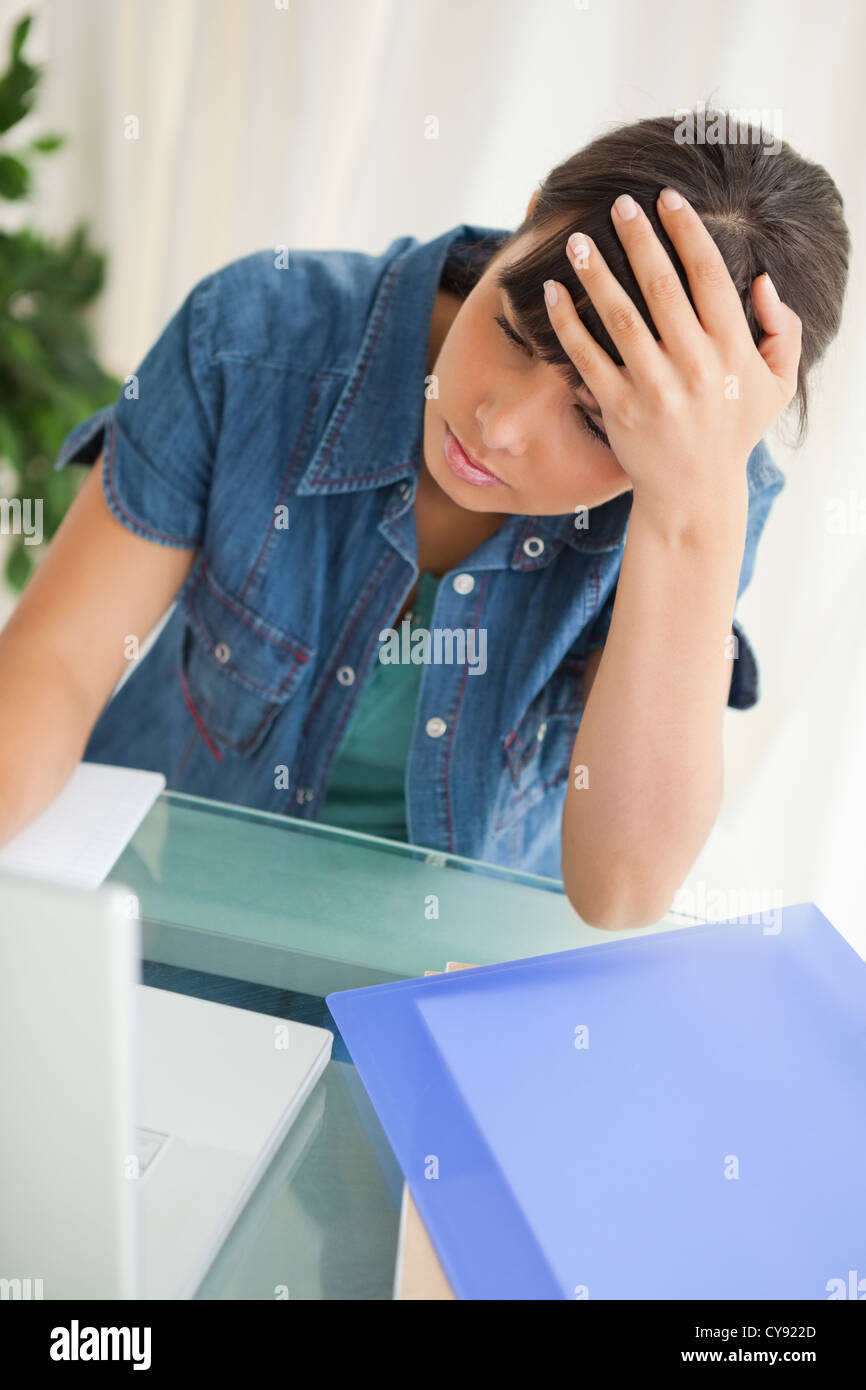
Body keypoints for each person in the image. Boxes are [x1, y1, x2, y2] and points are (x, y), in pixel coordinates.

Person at [0, 111, 849, 928]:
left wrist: (692, 510)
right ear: (525, 225)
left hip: (459, 987)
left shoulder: (701, 494)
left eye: (598, 421)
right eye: (516, 332)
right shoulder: (255, 338)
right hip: (172, 922)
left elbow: (620, 891)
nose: (500, 426)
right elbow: (59, 664)